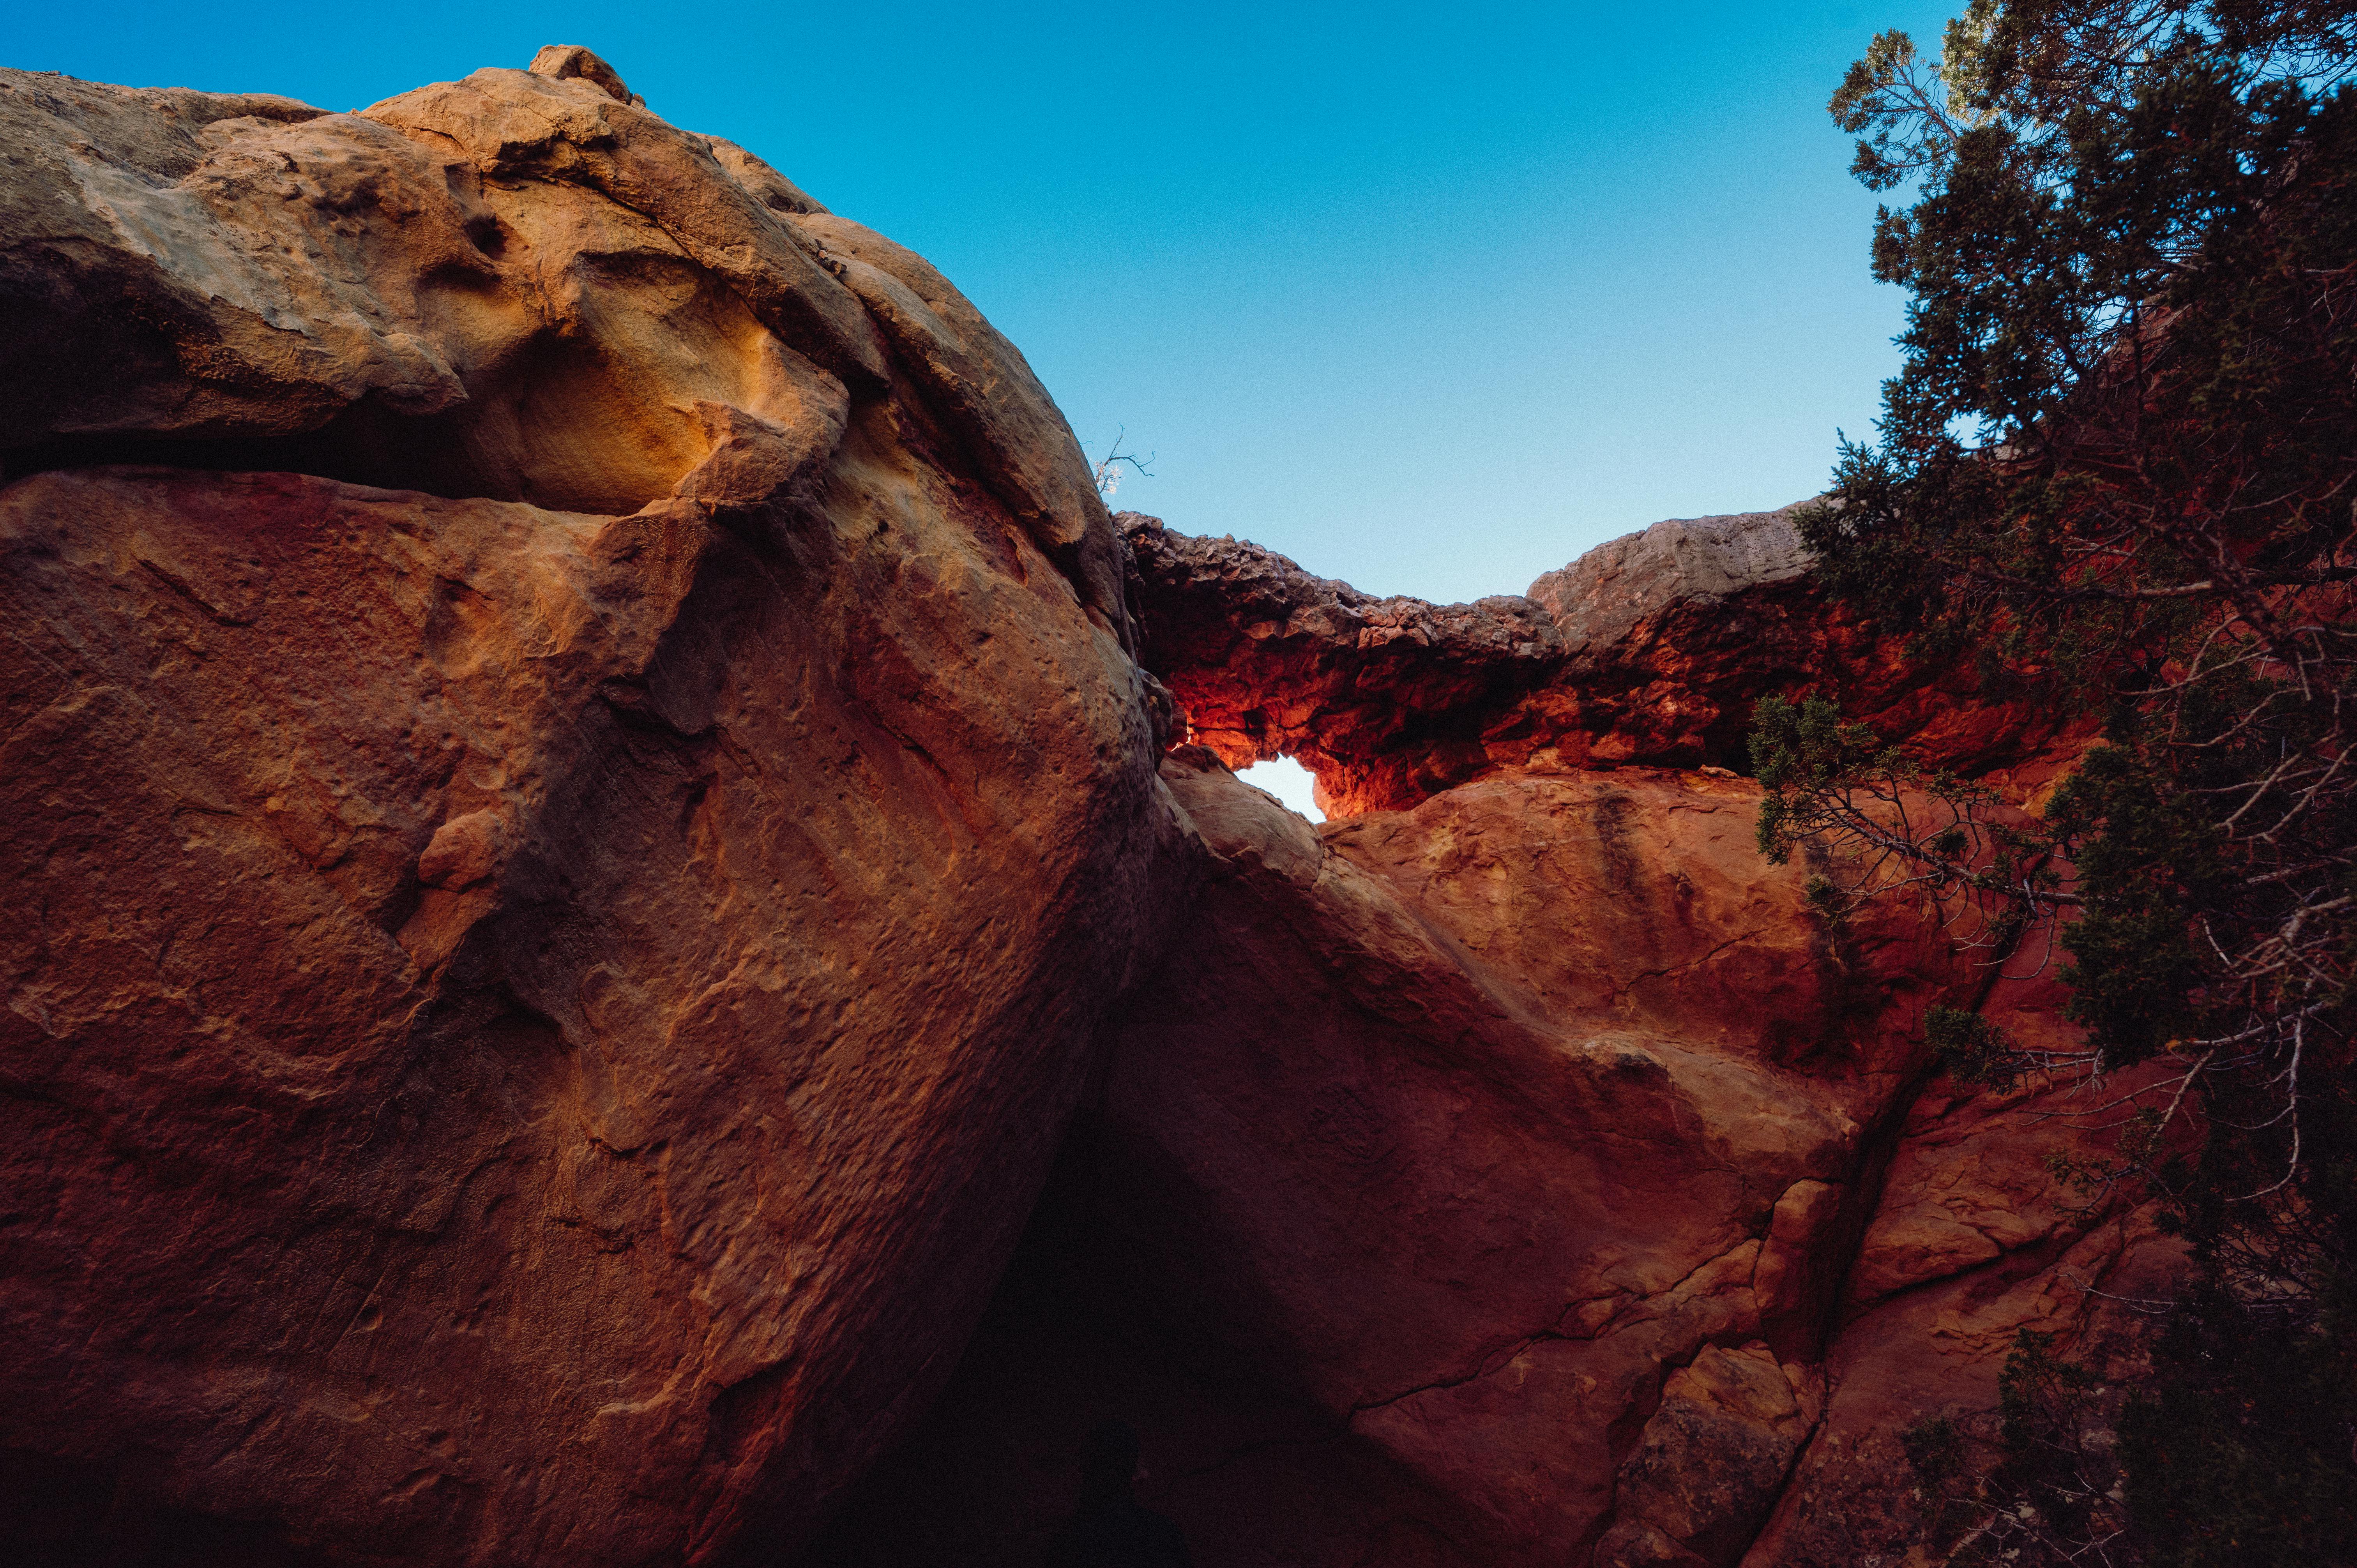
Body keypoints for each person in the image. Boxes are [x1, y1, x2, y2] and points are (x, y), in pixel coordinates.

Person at [1043, 1419, 1193, 1568]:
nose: (1146, 1476)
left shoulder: (1067, 1541)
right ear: (1131, 1468)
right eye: (1141, 1465)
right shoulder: (1161, 1535)